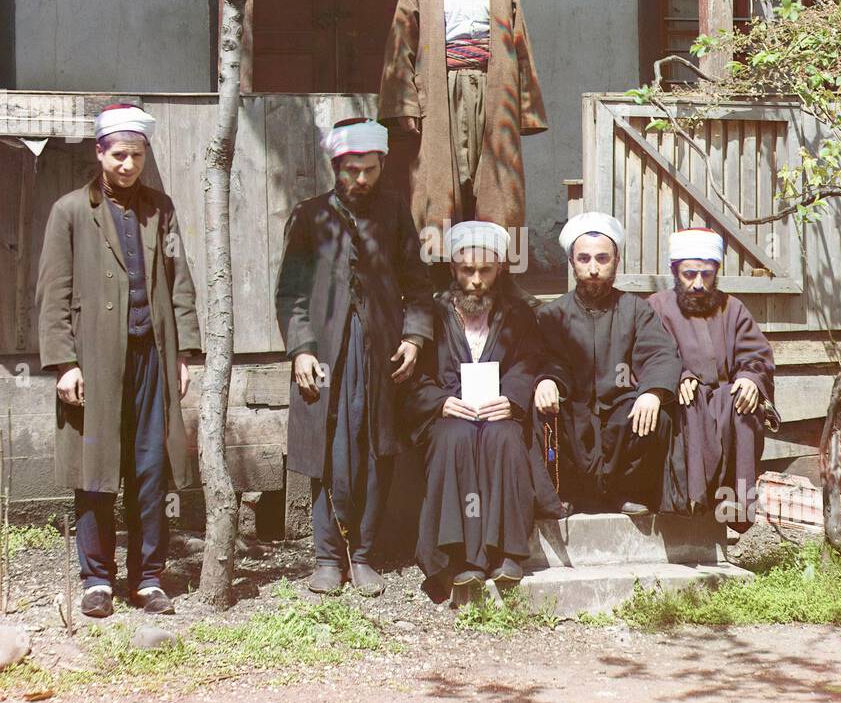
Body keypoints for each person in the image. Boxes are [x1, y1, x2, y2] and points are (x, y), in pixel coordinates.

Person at [37, 104, 201, 618]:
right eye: (119, 155)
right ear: (99, 153)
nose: (128, 165)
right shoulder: (69, 212)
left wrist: (185, 352)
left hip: (152, 356)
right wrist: (65, 362)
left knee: (150, 468)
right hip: (94, 363)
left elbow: (179, 279)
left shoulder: (161, 208)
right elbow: (53, 292)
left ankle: (149, 578)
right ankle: (97, 580)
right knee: (96, 468)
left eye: (136, 155)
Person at [275, 119, 434, 596]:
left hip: (379, 355)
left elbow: (418, 286)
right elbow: (290, 294)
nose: (361, 180)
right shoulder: (309, 217)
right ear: (336, 168)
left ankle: (363, 555)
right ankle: (327, 558)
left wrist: (414, 338)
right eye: (351, 171)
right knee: (327, 451)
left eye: (369, 170)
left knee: (375, 450)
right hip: (325, 357)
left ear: (382, 165)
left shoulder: (394, 214)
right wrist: (301, 349)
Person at [378, 0, 548, 258]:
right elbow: (400, 44)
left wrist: (524, 106)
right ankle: (433, 274)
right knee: (436, 183)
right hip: (440, 92)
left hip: (493, 89)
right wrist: (405, 103)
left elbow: (519, 45)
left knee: (499, 185)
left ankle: (503, 274)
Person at [408, 221, 559, 592]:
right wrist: (441, 403)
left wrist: (511, 399)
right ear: (452, 268)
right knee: (454, 439)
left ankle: (506, 552)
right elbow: (414, 378)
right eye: (466, 270)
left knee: (505, 438)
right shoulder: (431, 315)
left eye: (485, 271)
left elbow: (531, 362)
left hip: (498, 412)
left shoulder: (519, 315)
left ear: (500, 269)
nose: (476, 280)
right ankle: (459, 557)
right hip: (449, 415)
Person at [534, 213, 682, 516]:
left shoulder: (637, 311)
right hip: (571, 408)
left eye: (602, 258)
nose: (593, 269)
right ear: (572, 263)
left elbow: (660, 354)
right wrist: (545, 380)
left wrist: (652, 392)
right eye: (584, 259)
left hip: (620, 408)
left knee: (658, 417)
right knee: (542, 415)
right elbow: (540, 357)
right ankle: (564, 493)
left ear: (616, 261)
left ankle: (625, 493)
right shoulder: (551, 315)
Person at [647, 228, 777, 525]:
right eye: (688, 274)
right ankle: (687, 504)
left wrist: (749, 378)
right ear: (674, 271)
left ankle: (735, 512)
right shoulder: (656, 307)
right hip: (680, 400)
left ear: (716, 272)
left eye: (706, 275)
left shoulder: (733, 308)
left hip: (725, 401)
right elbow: (648, 353)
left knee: (745, 407)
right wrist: (678, 375)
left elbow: (757, 355)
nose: (697, 284)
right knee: (685, 406)